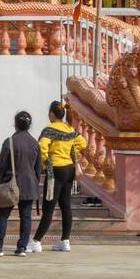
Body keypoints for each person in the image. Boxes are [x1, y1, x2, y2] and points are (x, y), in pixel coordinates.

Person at [28, 101, 86, 253]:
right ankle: (65, 240)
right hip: (69, 170)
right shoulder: (69, 129)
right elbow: (83, 143)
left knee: (49, 207)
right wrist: (70, 151)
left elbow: (41, 147)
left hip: (55, 171)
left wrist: (47, 161)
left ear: (52, 114)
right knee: (66, 206)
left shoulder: (49, 129)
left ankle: (36, 241)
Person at [0, 110, 42, 257]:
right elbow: (38, 168)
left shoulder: (9, 141)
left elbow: (1, 164)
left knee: (3, 215)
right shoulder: (35, 143)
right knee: (26, 216)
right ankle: (21, 247)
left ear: (15, 124)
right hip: (29, 185)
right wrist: (34, 182)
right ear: (29, 125)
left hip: (10, 184)